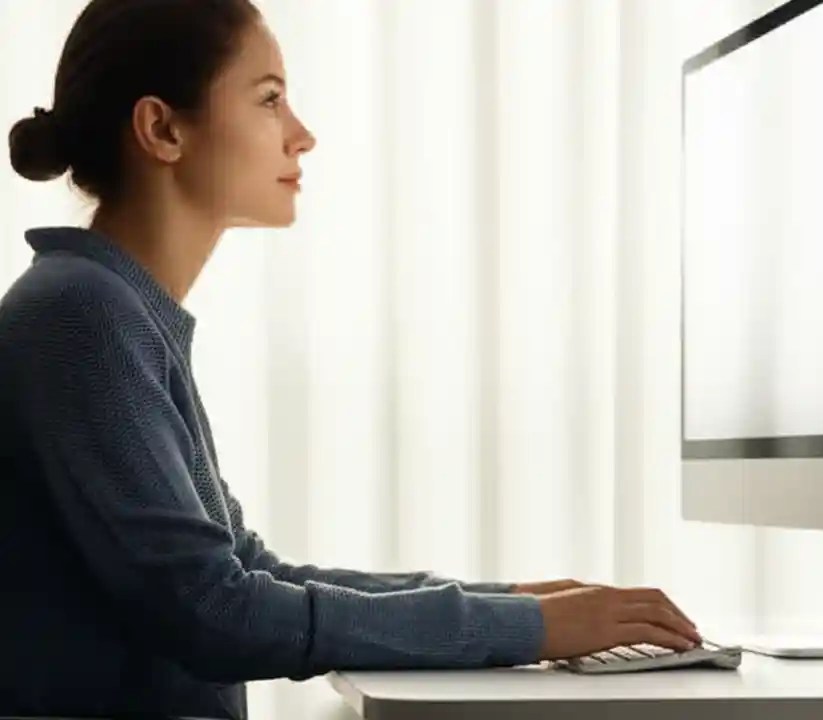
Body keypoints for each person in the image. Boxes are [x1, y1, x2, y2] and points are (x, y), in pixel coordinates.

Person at [0, 1, 700, 718]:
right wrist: (528, 628)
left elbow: (246, 571)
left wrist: (516, 603)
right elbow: (214, 610)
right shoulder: (81, 313)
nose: (302, 135)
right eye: (269, 99)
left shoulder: (114, 308)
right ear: (163, 129)